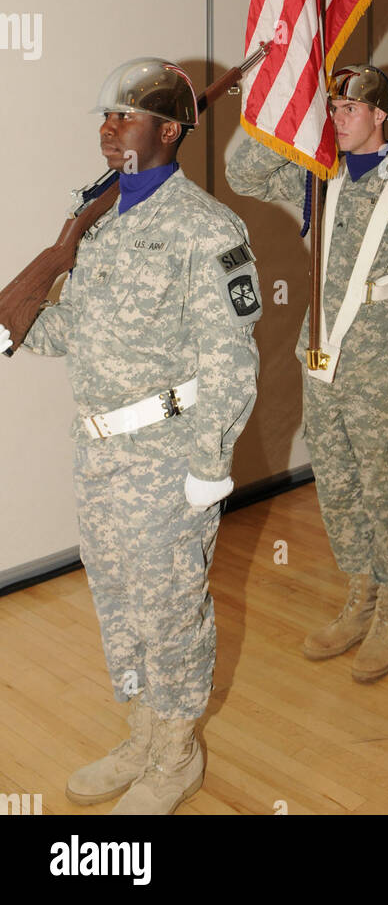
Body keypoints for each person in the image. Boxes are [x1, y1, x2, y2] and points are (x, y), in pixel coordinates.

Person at [1, 57, 261, 813]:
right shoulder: (102, 224)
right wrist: (14, 332)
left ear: (170, 130)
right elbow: (76, 330)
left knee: (171, 610)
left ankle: (177, 755)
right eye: (105, 116)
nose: (109, 128)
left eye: (125, 116)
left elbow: (230, 360)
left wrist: (210, 463)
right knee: (117, 602)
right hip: (99, 455)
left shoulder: (207, 230)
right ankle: (143, 734)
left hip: (167, 454)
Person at [226, 65, 388, 682]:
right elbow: (243, 174)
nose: (337, 118)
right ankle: (358, 592)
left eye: (348, 109)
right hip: (321, 357)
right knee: (335, 486)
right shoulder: (319, 172)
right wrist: (278, 101)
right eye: (331, 107)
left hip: (386, 365)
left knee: (387, 492)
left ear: (381, 115)